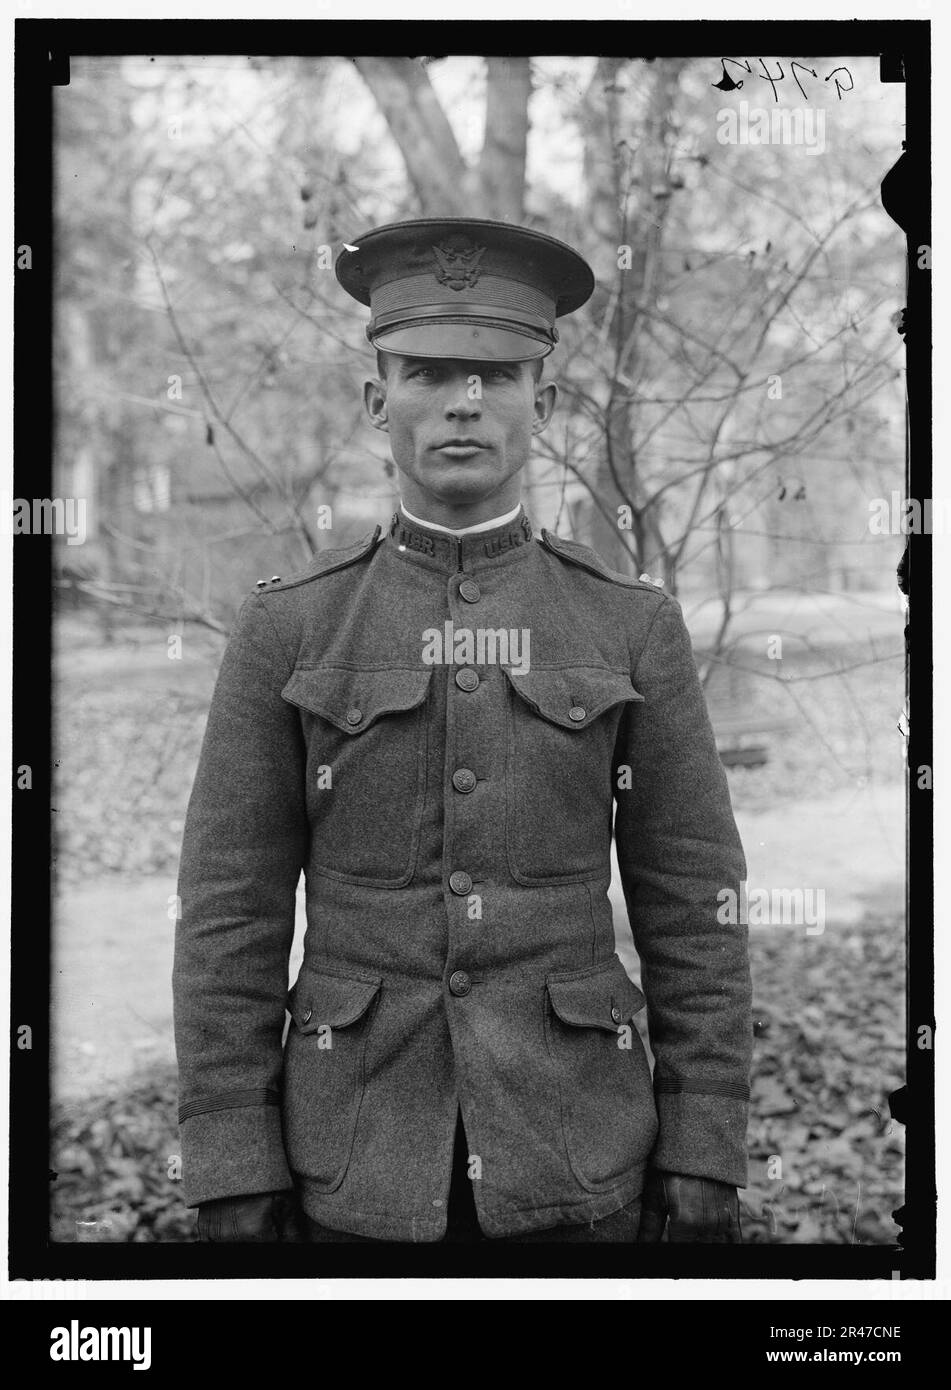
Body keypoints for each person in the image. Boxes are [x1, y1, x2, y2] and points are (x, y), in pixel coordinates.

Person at [173, 218, 752, 1244]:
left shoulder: (629, 622)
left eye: (498, 375)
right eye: (429, 373)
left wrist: (706, 1137)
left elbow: (692, 901)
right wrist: (232, 1153)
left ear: (548, 401)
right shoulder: (291, 625)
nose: (464, 403)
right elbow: (230, 911)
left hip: (578, 1147)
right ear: (374, 401)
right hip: (349, 1151)